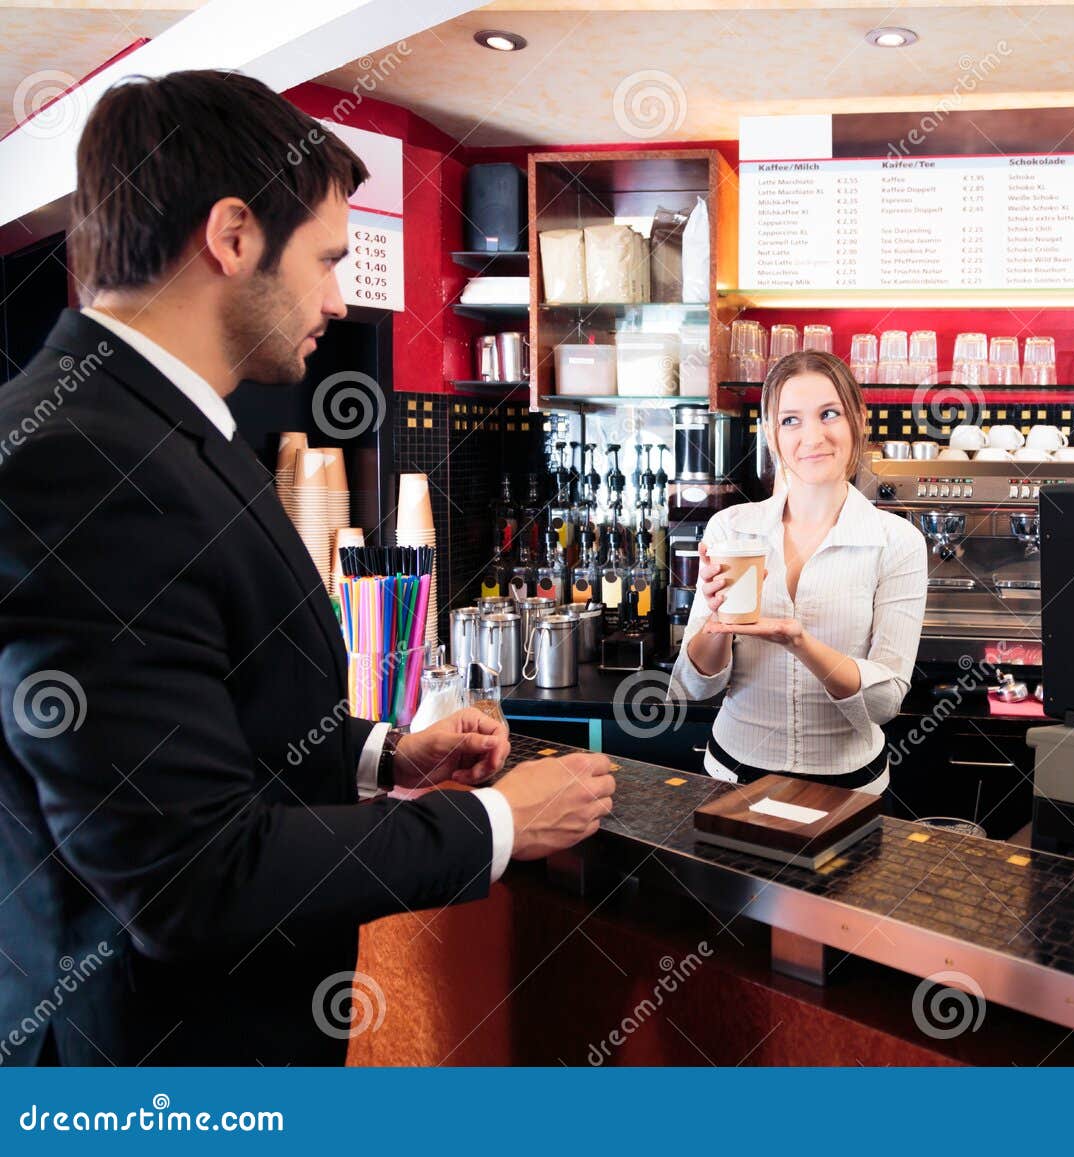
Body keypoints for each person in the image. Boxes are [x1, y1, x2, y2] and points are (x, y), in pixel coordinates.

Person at [0, 70, 614, 1066]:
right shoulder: (85, 461)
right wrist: (494, 821)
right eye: (326, 258)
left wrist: (384, 757)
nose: (337, 297)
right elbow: (190, 876)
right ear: (234, 235)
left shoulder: (169, 432)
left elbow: (208, 723)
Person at [670, 351, 928, 793]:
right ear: (771, 433)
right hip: (732, 778)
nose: (813, 437)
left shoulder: (898, 542)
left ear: (858, 420)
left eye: (829, 414)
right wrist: (717, 625)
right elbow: (693, 687)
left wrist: (800, 642)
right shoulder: (731, 529)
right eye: (790, 420)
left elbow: (885, 702)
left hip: (849, 788)